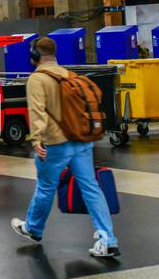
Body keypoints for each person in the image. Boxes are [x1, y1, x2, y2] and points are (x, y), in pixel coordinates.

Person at [12, 37, 120, 258]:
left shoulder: (37, 79)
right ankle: (107, 239)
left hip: (55, 144)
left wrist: (36, 139)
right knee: (91, 188)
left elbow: (37, 112)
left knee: (45, 187)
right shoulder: (67, 75)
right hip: (81, 141)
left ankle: (33, 229)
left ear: (34, 56)